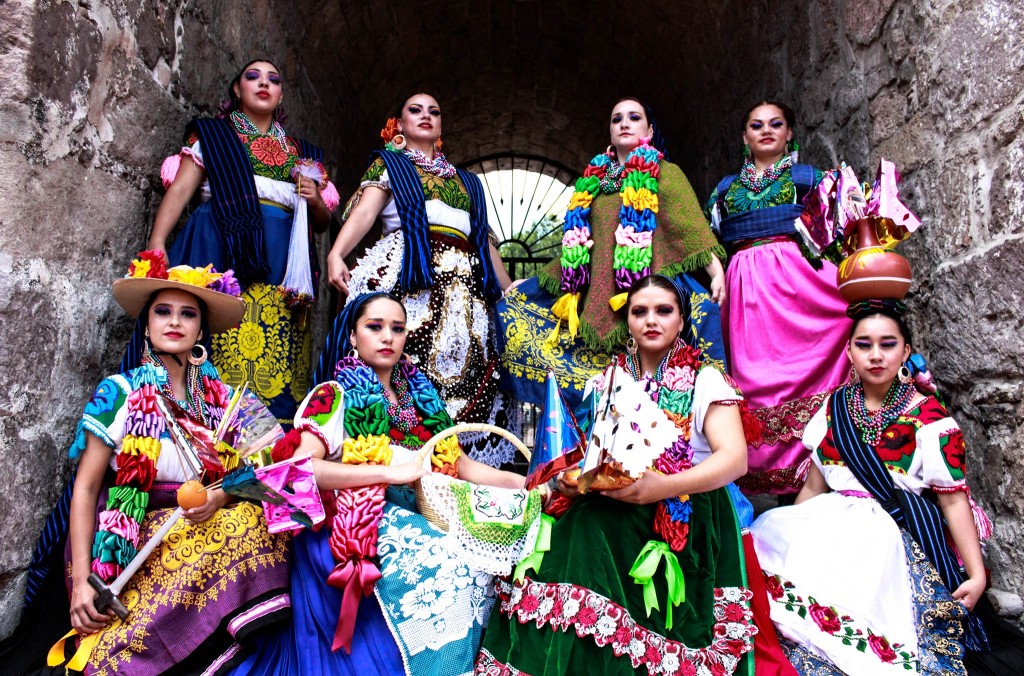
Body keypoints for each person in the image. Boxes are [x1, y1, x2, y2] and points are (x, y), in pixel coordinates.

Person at [216, 292, 532, 676]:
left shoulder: (423, 399)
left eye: (397, 329)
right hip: (354, 520)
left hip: (418, 511)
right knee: (452, 562)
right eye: (375, 327)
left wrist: (531, 482)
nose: (388, 337)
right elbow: (304, 469)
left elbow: (465, 467)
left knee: (491, 560)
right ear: (352, 336)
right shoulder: (333, 395)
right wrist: (387, 473)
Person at [478, 275, 766, 676]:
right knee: (573, 531)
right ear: (627, 322)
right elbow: (591, 453)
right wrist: (573, 480)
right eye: (639, 311)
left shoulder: (704, 379)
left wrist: (662, 487)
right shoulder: (608, 381)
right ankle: (569, 653)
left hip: (686, 504)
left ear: (681, 321)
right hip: (615, 498)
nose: (652, 320)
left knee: (591, 530)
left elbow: (735, 460)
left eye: (664, 311)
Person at [749, 299, 1024, 675]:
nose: (875, 355)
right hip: (828, 528)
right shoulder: (834, 409)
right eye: (863, 344)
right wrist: (795, 538)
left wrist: (975, 576)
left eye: (888, 344)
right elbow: (814, 489)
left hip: (890, 540)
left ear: (906, 351)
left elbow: (953, 502)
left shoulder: (929, 418)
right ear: (848, 351)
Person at [52, 252, 290, 674]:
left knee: (264, 523)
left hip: (204, 529)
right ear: (147, 323)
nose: (174, 322)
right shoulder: (118, 392)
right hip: (130, 540)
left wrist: (222, 496)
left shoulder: (229, 401)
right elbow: (86, 490)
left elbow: (279, 471)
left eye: (188, 314)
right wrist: (80, 587)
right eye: (163, 311)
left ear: (202, 328)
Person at [135, 59, 338, 424]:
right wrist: (158, 243)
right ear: (236, 89)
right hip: (220, 246)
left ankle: (269, 446)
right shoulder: (213, 136)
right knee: (219, 336)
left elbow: (322, 223)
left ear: (281, 95)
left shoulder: (301, 153)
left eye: (274, 79)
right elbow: (182, 189)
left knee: (276, 350)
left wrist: (315, 200)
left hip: (283, 263)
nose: (264, 84)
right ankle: (203, 430)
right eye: (253, 77)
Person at [321, 93, 516, 467]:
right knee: (407, 363)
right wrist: (336, 254)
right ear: (399, 123)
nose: (426, 116)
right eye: (415, 110)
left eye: (434, 112)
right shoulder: (390, 166)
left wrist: (508, 290)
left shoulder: (467, 183)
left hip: (466, 297)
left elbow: (484, 242)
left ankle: (458, 471)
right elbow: (365, 214)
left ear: (441, 126)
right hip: (411, 286)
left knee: (468, 377)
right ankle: (403, 462)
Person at [498, 98, 727, 410]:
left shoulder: (666, 173)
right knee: (512, 313)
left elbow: (692, 232)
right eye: (617, 118)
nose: (624, 123)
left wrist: (717, 274)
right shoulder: (592, 185)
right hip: (596, 298)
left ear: (648, 129)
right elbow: (575, 249)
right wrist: (529, 282)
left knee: (701, 326)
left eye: (634, 117)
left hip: (648, 295)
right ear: (609, 130)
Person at [704, 101, 848, 496]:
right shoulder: (723, 191)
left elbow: (838, 234)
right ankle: (771, 483)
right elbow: (706, 244)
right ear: (745, 137)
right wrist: (718, 273)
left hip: (801, 285)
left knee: (836, 339)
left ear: (789, 135)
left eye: (776, 124)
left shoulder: (809, 179)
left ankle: (819, 471)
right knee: (754, 383)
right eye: (756, 125)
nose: (766, 130)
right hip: (746, 293)